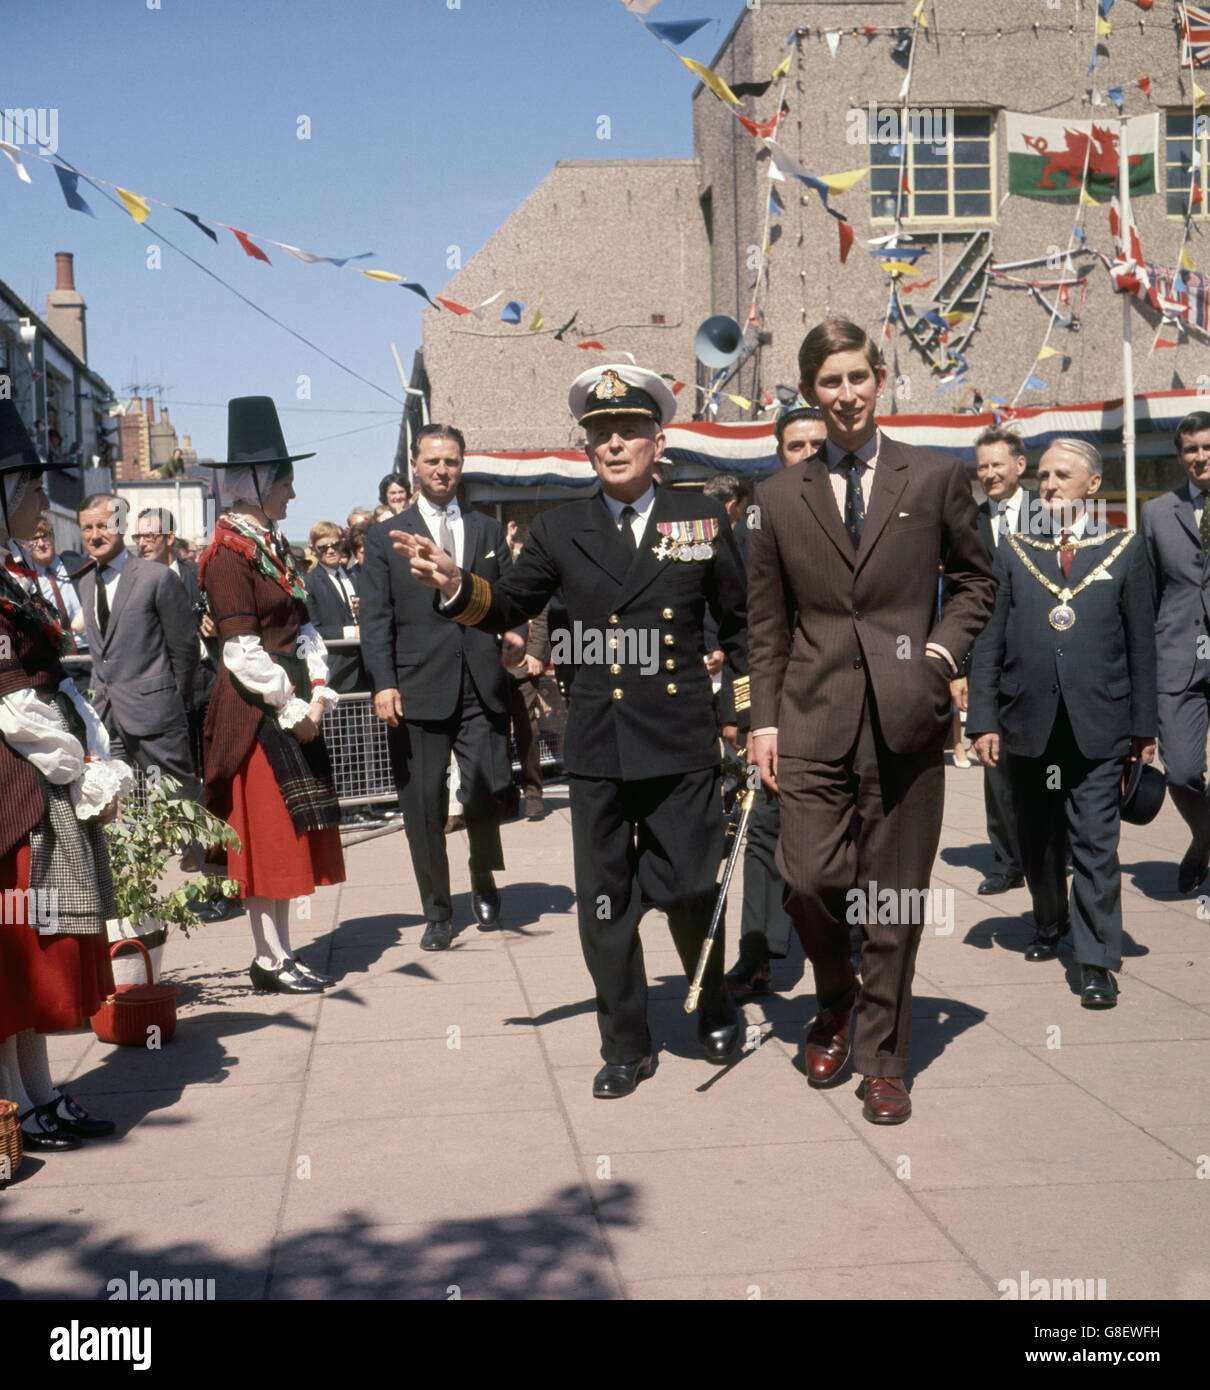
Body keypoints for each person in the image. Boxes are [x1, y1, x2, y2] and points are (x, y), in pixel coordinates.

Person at [395, 365, 748, 1099]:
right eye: (598, 435)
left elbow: (746, 624)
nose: (612, 445)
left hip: (680, 737)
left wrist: (740, 711)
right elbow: (511, 600)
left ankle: (711, 1000)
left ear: (659, 441)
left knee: (690, 888)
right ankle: (626, 1042)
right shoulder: (562, 527)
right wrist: (456, 586)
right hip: (599, 742)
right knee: (603, 903)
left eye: (627, 432)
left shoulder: (700, 519)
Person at [747, 319, 996, 1125]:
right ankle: (836, 997)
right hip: (812, 717)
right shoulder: (778, 496)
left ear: (880, 380)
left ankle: (884, 1059)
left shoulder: (932, 478)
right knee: (811, 878)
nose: (846, 395)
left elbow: (975, 583)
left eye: (858, 378)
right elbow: (767, 624)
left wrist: (938, 658)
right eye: (830, 382)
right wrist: (763, 720)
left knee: (891, 899)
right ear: (810, 393)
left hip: (907, 716)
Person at [968, 439, 1157, 1007]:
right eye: (1044, 475)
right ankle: (1049, 923)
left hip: (1100, 725)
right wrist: (983, 720)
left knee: (1096, 842)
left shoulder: (1124, 547)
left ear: (1092, 485)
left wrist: (1144, 729)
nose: (1048, 485)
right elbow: (990, 640)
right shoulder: (1015, 551)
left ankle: (1097, 959)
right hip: (1029, 722)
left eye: (1062, 475)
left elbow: (1141, 645)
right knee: (1040, 841)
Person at [0, 401, 133, 1154]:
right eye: (22, 485)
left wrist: (91, 754)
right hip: (13, 793)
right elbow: (15, 706)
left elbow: (50, 686)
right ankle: (17, 1101)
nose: (34, 499)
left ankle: (40, 1093)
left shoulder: (13, 574)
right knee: (18, 950)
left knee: (39, 945)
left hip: (33, 786)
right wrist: (83, 772)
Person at [199, 397, 345, 994]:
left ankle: (280, 954)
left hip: (287, 706)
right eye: (283, 481)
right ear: (255, 483)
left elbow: (301, 625)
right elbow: (240, 650)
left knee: (288, 837)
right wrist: (289, 708)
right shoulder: (226, 556)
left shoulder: (270, 544)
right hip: (254, 715)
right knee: (267, 841)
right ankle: (268, 956)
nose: (290, 493)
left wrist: (318, 691)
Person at [360, 424, 517, 949]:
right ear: (416, 464)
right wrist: (383, 682)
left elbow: (507, 598)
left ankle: (483, 874)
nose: (442, 470)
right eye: (432, 461)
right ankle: (438, 911)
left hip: (481, 681)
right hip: (417, 686)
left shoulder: (486, 530)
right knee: (423, 805)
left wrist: (517, 636)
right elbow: (377, 617)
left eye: (451, 461)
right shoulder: (386, 536)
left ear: (462, 464)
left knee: (486, 791)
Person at [946, 429, 1031, 889]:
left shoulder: (1052, 512)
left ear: (1020, 465)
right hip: (987, 661)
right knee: (993, 762)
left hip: (1044, 659)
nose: (989, 474)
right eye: (982, 467)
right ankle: (1005, 862)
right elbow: (956, 594)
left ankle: (1050, 854)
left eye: (998, 465)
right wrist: (957, 668)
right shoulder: (970, 522)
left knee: (1045, 764)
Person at [75, 494, 201, 802]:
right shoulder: (85, 582)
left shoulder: (155, 578)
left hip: (157, 716)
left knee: (179, 801)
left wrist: (170, 701)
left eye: (102, 526)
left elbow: (185, 650)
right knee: (112, 805)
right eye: (87, 528)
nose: (94, 535)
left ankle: (195, 852)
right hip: (106, 718)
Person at [1140, 411, 1210, 894]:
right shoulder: (1158, 512)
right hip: (1178, 656)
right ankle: (1203, 837)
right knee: (1181, 770)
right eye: (1191, 449)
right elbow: (1144, 595)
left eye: (1207, 446)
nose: (1200, 457)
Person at [304, 520, 368, 694]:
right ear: (314, 550)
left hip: (367, 667)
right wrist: (351, 633)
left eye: (335, 545)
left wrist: (366, 610)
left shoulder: (356, 576)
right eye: (323, 547)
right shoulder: (308, 583)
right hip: (336, 670)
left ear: (342, 544)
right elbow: (313, 629)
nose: (330, 550)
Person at [506, 603, 552, 820]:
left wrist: (536, 652)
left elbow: (541, 609)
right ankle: (504, 794)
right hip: (487, 662)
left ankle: (533, 793)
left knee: (526, 729)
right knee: (492, 732)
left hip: (523, 661)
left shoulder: (524, 567)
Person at [22, 512, 86, 650]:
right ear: (25, 545)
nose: (41, 544)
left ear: (53, 537)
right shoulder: (25, 582)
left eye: (44, 536)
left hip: (89, 650)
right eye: (33, 538)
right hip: (54, 656)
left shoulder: (83, 568)